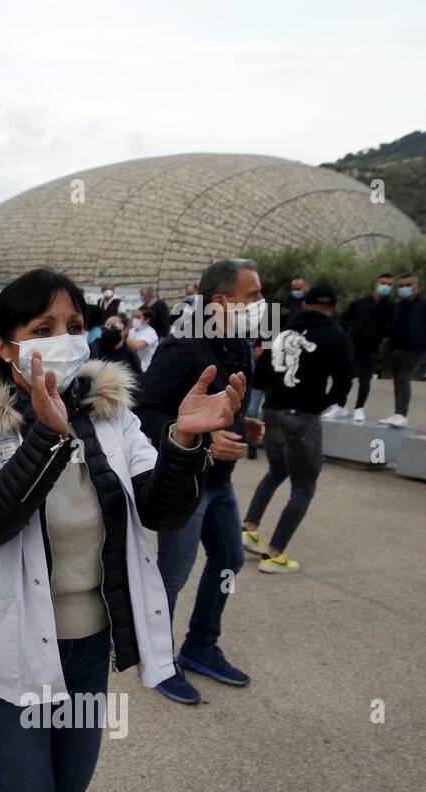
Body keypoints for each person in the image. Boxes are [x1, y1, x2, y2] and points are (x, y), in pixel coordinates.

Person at [0, 268, 230, 792]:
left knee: (68, 785)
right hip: (7, 649)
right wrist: (44, 434)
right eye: (42, 330)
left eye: (73, 326)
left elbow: (160, 509)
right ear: (5, 345)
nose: (65, 340)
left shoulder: (110, 413)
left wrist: (182, 443)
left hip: (86, 647)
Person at [135, 258, 264, 706]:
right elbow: (144, 414)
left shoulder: (238, 344)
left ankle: (201, 647)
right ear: (221, 302)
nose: (261, 305)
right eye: (253, 297)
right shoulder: (183, 347)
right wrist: (206, 439)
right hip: (184, 483)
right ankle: (157, 660)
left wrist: (242, 423)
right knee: (171, 576)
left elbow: (219, 405)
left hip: (220, 482)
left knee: (230, 559)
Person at [241, 283, 353, 574]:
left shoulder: (283, 330)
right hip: (303, 417)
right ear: (334, 308)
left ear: (305, 305)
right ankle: (275, 553)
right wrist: (321, 404)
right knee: (304, 486)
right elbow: (344, 382)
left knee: (276, 470)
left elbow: (261, 374)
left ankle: (250, 528)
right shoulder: (336, 336)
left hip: (272, 411)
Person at [333, 274, 394, 422]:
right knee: (345, 377)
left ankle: (359, 408)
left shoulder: (391, 307)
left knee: (365, 380)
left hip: (372, 348)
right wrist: (352, 331)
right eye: (383, 283)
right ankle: (340, 407)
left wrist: (379, 333)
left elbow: (393, 327)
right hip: (353, 346)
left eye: (389, 284)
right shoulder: (359, 303)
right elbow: (344, 321)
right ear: (376, 284)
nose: (385, 286)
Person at [380, 273, 426, 428]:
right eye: (401, 286)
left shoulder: (425, 303)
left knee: (403, 377)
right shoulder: (399, 305)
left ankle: (402, 414)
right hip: (399, 348)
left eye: (408, 285)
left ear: (417, 286)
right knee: (397, 380)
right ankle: (397, 412)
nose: (404, 289)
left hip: (418, 348)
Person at [89, 313, 142, 377]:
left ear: (125, 330)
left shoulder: (130, 356)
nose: (108, 330)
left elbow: (139, 380)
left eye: (113, 327)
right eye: (104, 328)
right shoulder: (93, 349)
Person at [128, 306, 160, 371]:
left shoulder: (150, 332)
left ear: (147, 319)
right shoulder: (132, 331)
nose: (135, 319)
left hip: (147, 367)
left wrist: (124, 336)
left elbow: (137, 346)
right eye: (134, 316)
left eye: (138, 317)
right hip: (134, 366)